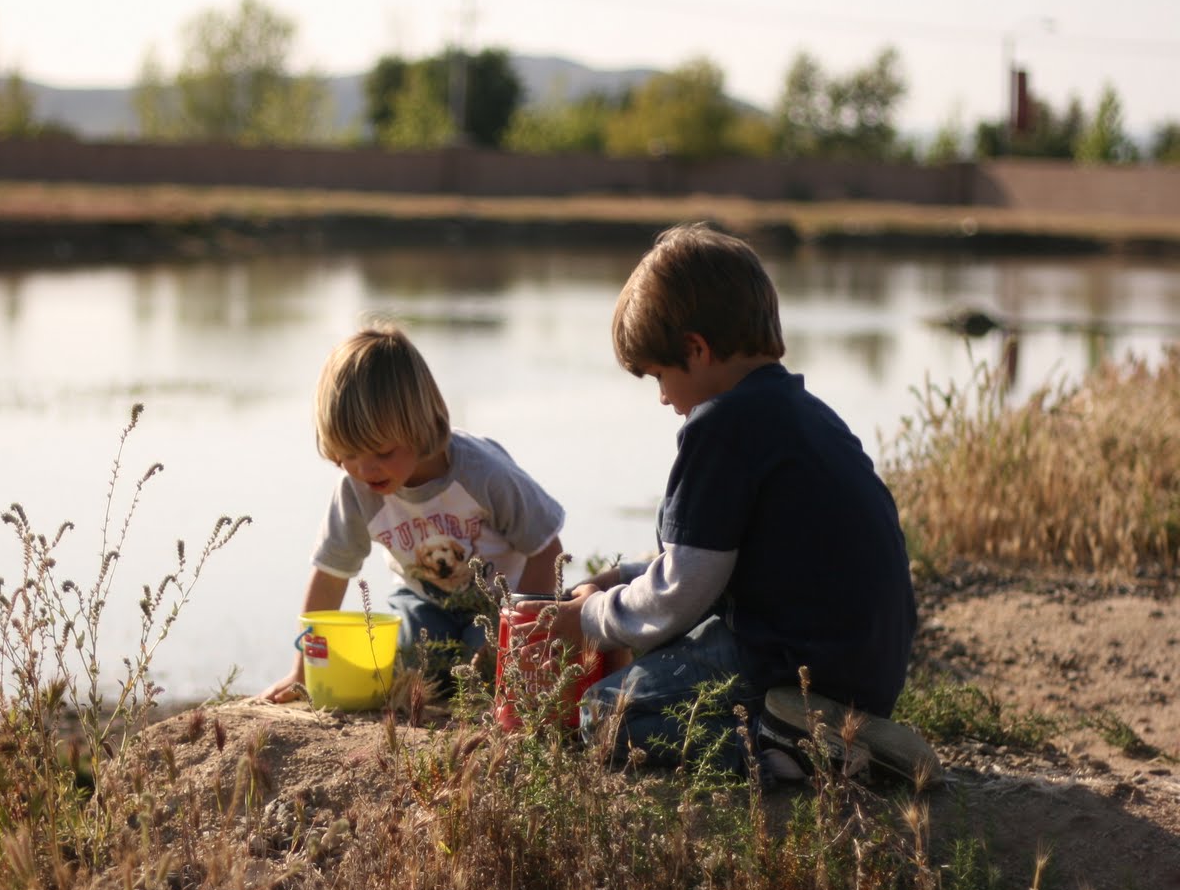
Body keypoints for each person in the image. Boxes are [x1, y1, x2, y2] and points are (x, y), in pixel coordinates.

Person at [532, 222, 918, 777]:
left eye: (659, 376)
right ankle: (832, 729)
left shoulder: (719, 427)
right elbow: (720, 560)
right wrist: (620, 579)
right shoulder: (804, 413)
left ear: (696, 350)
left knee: (605, 714)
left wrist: (590, 619)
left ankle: (787, 745)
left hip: (789, 663)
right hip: (867, 673)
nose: (662, 397)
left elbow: (682, 591)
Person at [259, 322, 567, 703]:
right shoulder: (355, 490)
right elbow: (329, 575)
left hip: (497, 606)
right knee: (403, 657)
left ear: (420, 427)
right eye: (348, 454)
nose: (364, 469)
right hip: (423, 603)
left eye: (383, 452)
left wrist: (518, 637)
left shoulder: (483, 474)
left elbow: (546, 548)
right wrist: (302, 672)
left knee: (486, 668)